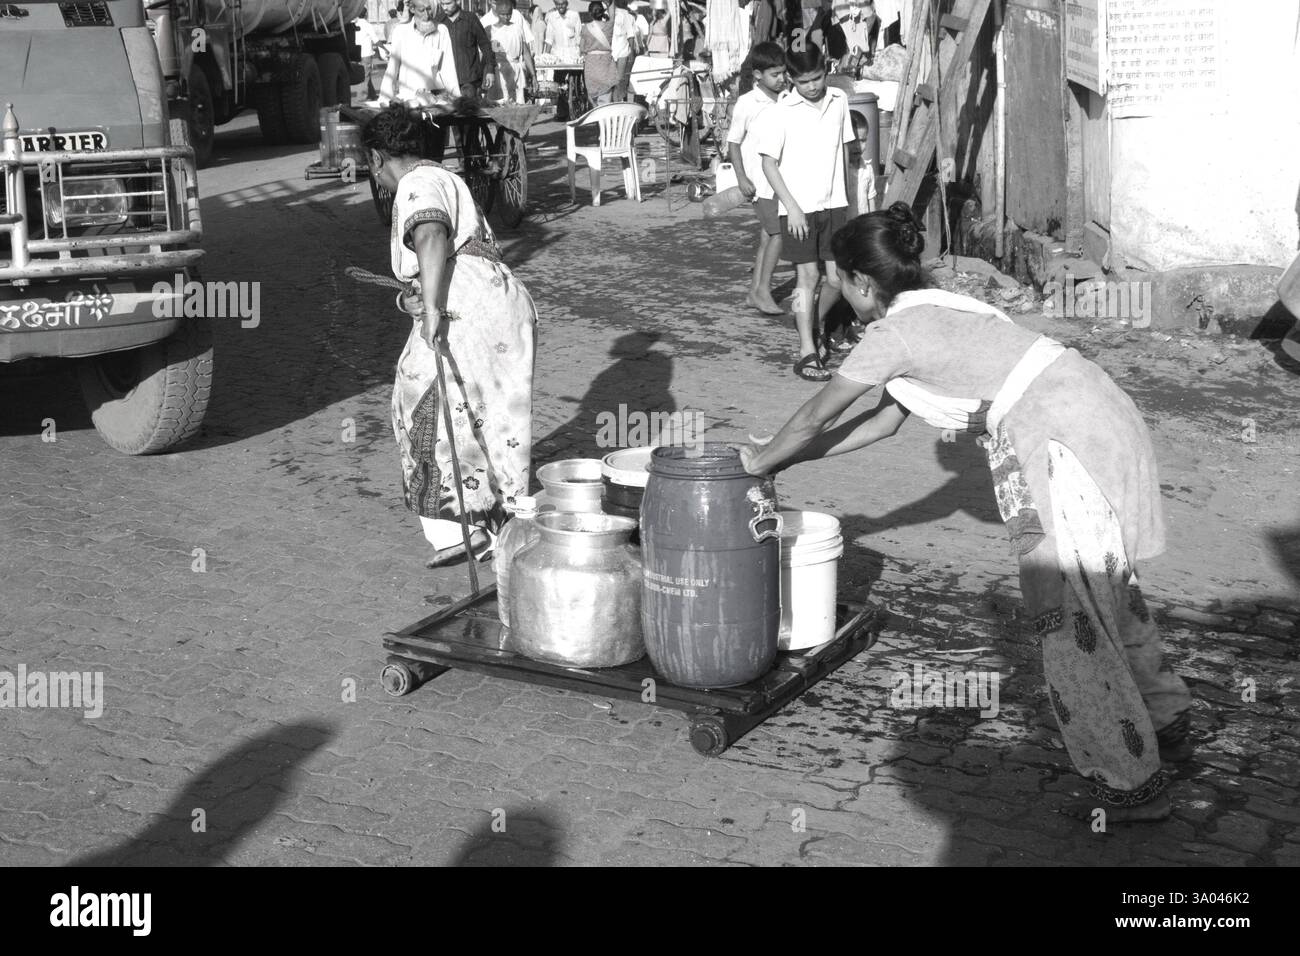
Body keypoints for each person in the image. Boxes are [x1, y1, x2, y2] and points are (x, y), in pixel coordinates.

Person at [740, 203, 1194, 823]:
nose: (840, 291)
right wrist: (781, 464)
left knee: (1069, 615)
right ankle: (1165, 717)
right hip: (1097, 409)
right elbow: (879, 424)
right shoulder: (949, 305)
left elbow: (819, 413)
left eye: (840, 281)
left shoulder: (891, 334)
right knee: (1108, 585)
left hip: (1059, 436)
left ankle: (1128, 779)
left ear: (859, 281)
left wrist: (762, 458)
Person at [362, 105, 538, 567]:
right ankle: (500, 526)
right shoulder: (444, 176)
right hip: (499, 304)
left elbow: (433, 236)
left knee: (421, 398)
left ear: (377, 158)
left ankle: (462, 525)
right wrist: (415, 299)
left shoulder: (418, 185)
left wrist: (434, 308)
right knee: (488, 416)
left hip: (470, 307)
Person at [756, 43, 854, 381]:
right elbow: (769, 165)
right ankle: (806, 348)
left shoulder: (840, 100)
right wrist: (793, 209)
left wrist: (848, 202)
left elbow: (843, 153)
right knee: (806, 279)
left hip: (835, 204)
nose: (812, 86)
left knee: (838, 279)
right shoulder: (781, 111)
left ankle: (812, 322)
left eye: (817, 78)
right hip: (798, 209)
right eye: (803, 81)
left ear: (826, 70)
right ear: (791, 79)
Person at [727, 41, 787, 316]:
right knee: (777, 235)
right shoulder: (746, 103)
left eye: (783, 73)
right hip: (759, 183)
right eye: (775, 74)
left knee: (767, 236)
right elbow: (733, 143)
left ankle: (754, 292)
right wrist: (741, 177)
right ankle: (763, 290)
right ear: (758, 75)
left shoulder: (787, 98)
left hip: (781, 180)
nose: (782, 79)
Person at [380, 0, 461, 104]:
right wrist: (385, 99)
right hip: (408, 99)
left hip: (436, 100)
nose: (427, 15)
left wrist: (456, 99)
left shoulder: (442, 31)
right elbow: (392, 68)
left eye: (429, 10)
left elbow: (448, 69)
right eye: (422, 10)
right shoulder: (401, 32)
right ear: (412, 9)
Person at [435, 0, 496, 99]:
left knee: (470, 112)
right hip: (445, 82)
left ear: (458, 1)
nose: (445, 7)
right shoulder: (438, 22)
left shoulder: (471, 19)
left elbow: (485, 45)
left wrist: (490, 70)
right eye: (442, 4)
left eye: (448, 3)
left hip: (469, 81)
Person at [481, 0, 536, 104]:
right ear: (497, 13)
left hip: (516, 71)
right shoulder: (490, 30)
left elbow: (525, 52)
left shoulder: (517, 28)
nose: (506, 17)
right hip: (499, 72)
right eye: (503, 14)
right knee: (499, 104)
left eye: (509, 14)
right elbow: (486, 55)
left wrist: (533, 75)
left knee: (517, 104)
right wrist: (484, 75)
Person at [580, 2, 619, 108]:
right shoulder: (609, 26)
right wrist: (609, 3)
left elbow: (582, 48)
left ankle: (598, 118)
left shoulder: (585, 29)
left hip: (591, 65)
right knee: (606, 95)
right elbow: (613, 13)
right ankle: (605, 120)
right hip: (606, 64)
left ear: (590, 13)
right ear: (602, 12)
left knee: (594, 98)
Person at [611, 0, 643, 102]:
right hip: (610, 53)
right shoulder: (605, 14)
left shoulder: (624, 14)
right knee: (612, 81)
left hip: (623, 51)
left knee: (622, 80)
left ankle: (621, 101)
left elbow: (631, 35)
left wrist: (631, 54)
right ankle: (615, 102)